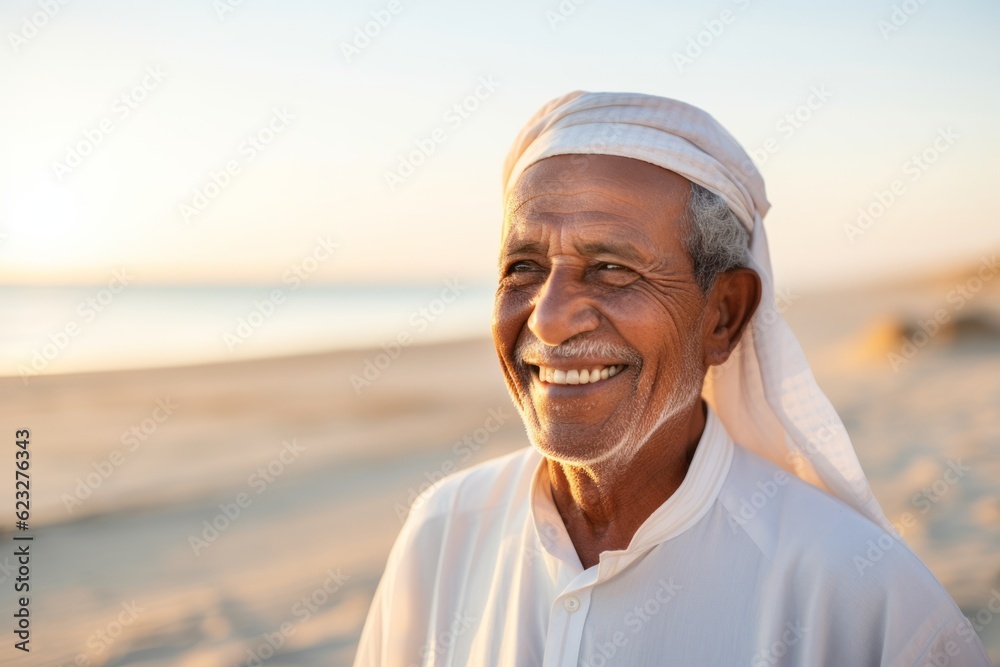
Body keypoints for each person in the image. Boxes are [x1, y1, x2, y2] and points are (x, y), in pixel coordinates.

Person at [353, 91, 991, 666]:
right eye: (523, 266)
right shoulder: (442, 532)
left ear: (723, 316)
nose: (547, 320)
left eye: (610, 269)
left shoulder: (859, 597)